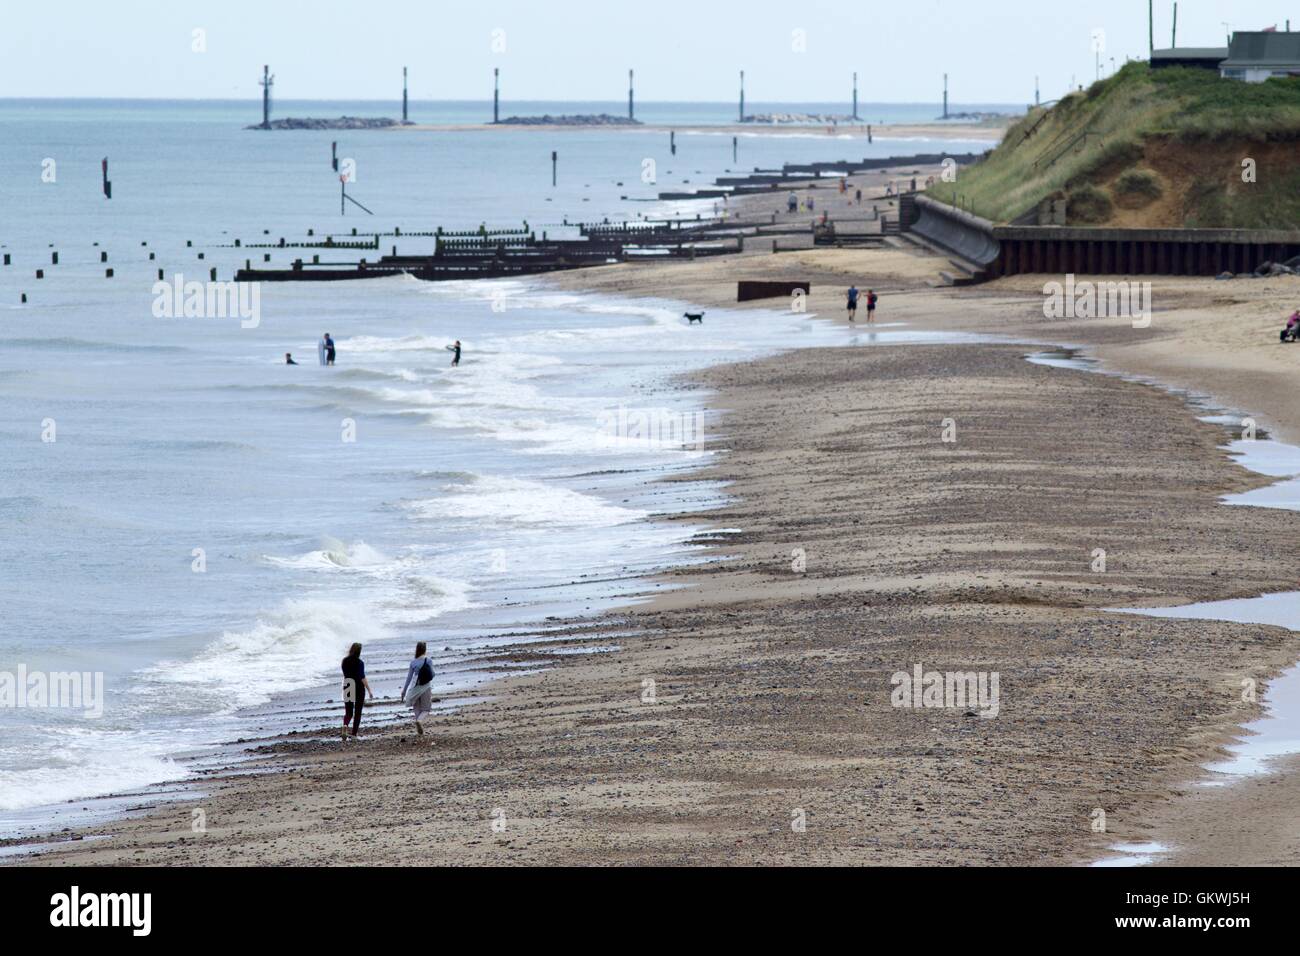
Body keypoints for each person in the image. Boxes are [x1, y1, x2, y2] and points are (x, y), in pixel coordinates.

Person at [400, 641, 435, 735]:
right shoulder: (428, 660)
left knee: (417, 708)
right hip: (426, 687)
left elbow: (409, 678)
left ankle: (418, 724)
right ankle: (419, 721)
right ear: (425, 650)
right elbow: (433, 674)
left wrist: (404, 691)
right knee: (426, 709)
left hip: (415, 687)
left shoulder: (413, 662)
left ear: (417, 649)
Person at [340, 643, 372, 740]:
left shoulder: (344, 661)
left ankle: (345, 725)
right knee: (358, 712)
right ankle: (354, 734)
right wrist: (369, 690)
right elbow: (362, 677)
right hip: (358, 686)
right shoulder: (360, 662)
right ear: (359, 652)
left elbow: (345, 673)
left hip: (347, 684)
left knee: (348, 712)